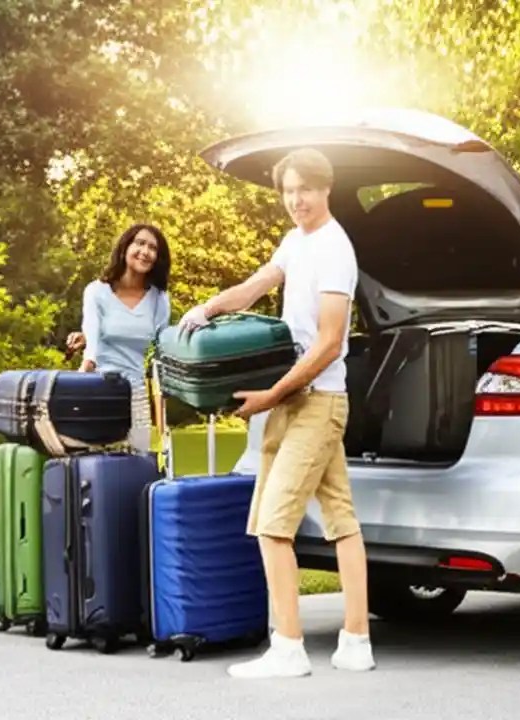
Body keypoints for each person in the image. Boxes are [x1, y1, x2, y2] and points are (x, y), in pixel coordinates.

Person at [177, 147, 373, 678]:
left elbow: (330, 343)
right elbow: (259, 284)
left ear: (325, 188)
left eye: (304, 189)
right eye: (288, 191)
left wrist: (270, 397)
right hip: (297, 401)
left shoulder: (335, 249)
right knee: (341, 520)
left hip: (317, 401)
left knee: (272, 525)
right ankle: (356, 641)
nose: (295, 200)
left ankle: (288, 647)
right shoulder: (296, 240)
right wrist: (209, 307)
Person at [66, 223, 172, 453]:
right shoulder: (96, 291)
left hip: (135, 394)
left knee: (137, 465)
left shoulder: (159, 299)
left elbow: (161, 353)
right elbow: (92, 338)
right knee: (92, 464)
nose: (145, 251)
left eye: (153, 248)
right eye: (140, 243)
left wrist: (163, 422)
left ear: (157, 258)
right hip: (98, 388)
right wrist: (82, 376)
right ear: (125, 248)